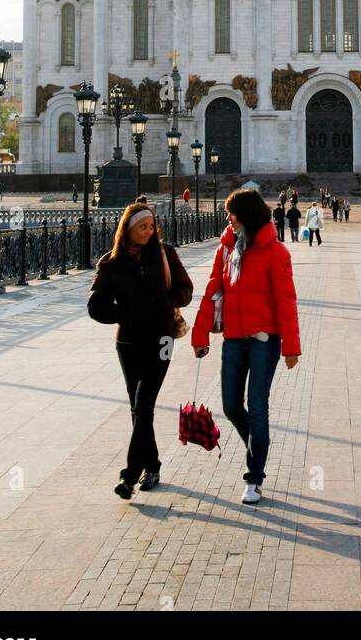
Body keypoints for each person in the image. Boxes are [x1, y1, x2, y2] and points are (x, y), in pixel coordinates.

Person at [192, 188, 300, 505]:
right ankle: (258, 443)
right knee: (230, 406)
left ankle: (254, 478)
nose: (227, 218)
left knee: (258, 406)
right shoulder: (227, 249)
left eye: (231, 213)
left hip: (265, 341)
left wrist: (291, 346)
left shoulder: (276, 252)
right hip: (234, 340)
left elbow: (286, 300)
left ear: (245, 215)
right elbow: (214, 291)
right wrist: (200, 336)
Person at [87, 201, 193, 499]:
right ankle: (153, 465)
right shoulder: (111, 263)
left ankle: (129, 476)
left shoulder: (165, 254)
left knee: (144, 403)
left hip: (162, 338)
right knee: (139, 408)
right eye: (142, 227)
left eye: (151, 226)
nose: (148, 232)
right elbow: (96, 306)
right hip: (129, 341)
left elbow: (186, 288)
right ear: (128, 229)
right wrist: (125, 313)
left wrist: (169, 301)